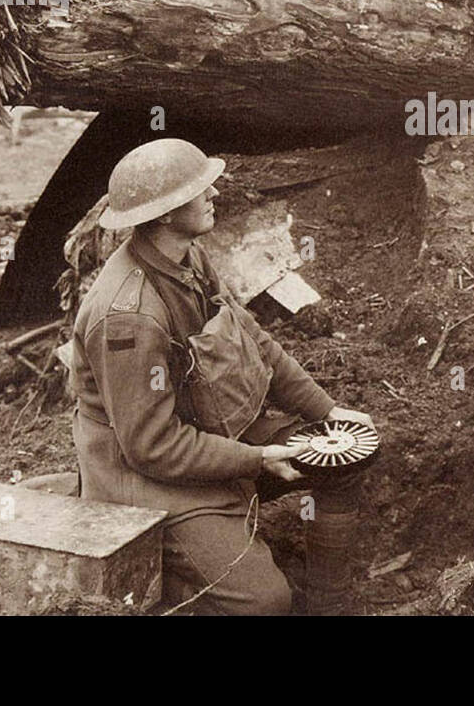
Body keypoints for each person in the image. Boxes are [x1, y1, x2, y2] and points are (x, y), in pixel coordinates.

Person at [69, 137, 372, 614]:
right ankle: (168, 595)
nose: (215, 194)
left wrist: (328, 411)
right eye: (200, 188)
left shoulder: (187, 256)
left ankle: (328, 607)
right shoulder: (127, 317)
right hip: (142, 477)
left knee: (342, 458)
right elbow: (151, 447)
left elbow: (254, 341)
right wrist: (258, 458)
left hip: (207, 429)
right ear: (166, 213)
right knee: (263, 602)